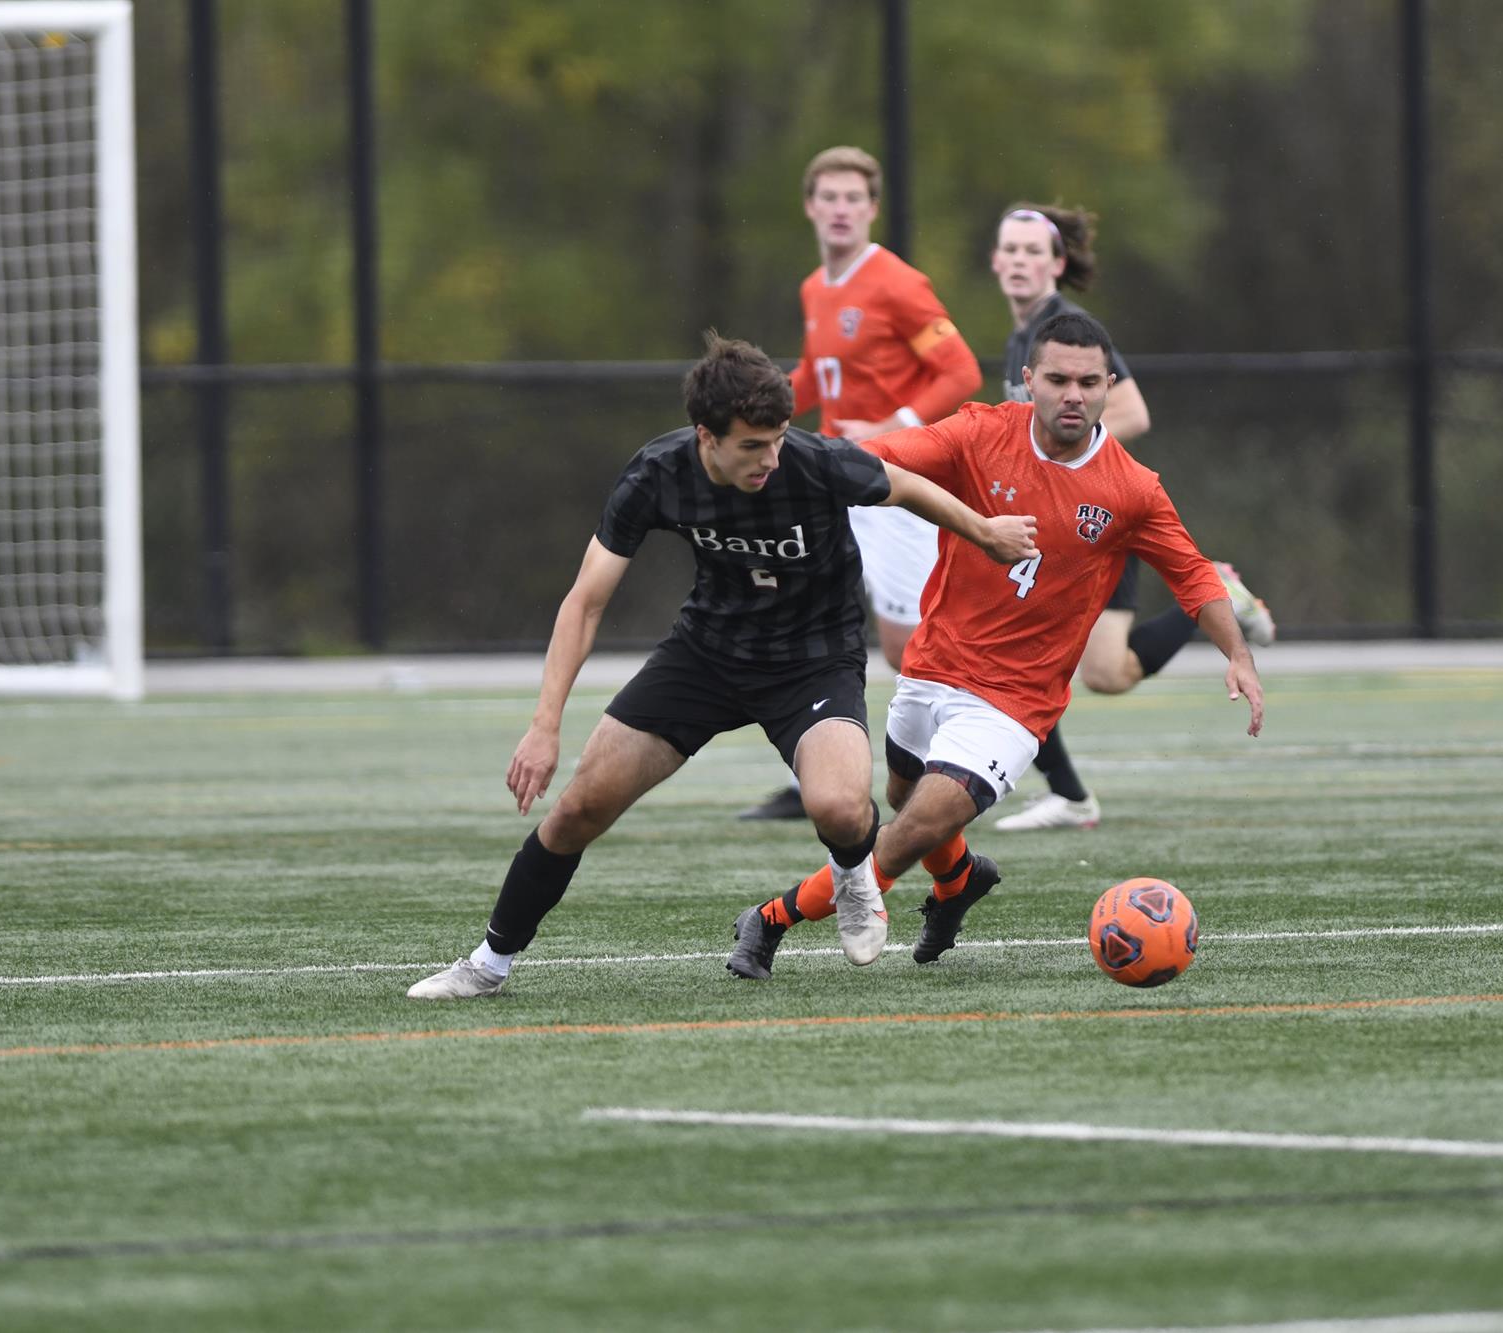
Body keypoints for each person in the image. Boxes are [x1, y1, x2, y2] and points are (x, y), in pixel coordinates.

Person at [409, 333, 1037, 999]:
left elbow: (904, 485)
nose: (771, 458)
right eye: (752, 446)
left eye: (779, 439)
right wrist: (544, 725)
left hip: (813, 659)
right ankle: (488, 964)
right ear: (706, 436)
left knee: (840, 808)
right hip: (706, 655)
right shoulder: (658, 472)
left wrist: (984, 531)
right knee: (579, 808)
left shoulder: (814, 462)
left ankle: (855, 877)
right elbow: (586, 601)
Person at [726, 310, 1262, 981]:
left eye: (1089, 382)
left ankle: (771, 918)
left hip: (1016, 700)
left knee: (914, 828)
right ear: (1029, 380)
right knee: (904, 799)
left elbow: (1193, 574)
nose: (1073, 394)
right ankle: (959, 883)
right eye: (1058, 379)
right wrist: (780, 457)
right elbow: (882, 456)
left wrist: (1237, 654)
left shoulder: (1132, 489)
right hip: (934, 663)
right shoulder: (981, 433)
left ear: (1108, 387)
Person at [987, 203, 1276, 833]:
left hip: (1093, 518)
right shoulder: (1020, 340)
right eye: (1010, 249)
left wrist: (1057, 465)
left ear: (1057, 263)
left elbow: (1133, 413)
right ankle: (1219, 594)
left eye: (1033, 251)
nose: (1019, 261)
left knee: (1021, 650)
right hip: (1060, 519)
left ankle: (1068, 795)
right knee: (1105, 673)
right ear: (994, 260)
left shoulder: (1066, 332)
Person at [737, 145, 984, 822]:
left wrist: (892, 426)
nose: (841, 209)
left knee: (911, 647)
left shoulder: (896, 283)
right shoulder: (816, 287)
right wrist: (753, 410)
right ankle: (816, 778)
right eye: (830, 197)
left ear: (873, 207)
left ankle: (977, 761)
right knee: (805, 622)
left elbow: (960, 372)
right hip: (833, 481)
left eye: (854, 198)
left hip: (892, 484)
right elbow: (819, 375)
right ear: (810, 206)